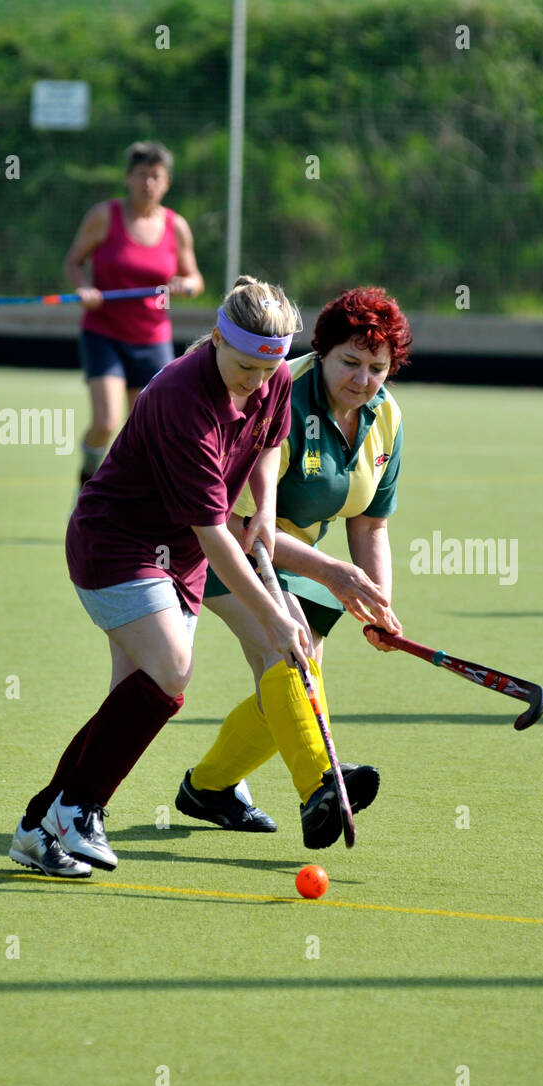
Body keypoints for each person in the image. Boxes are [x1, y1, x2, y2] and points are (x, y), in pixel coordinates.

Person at [9, 276, 309, 878]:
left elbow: (269, 441)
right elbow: (214, 534)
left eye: (265, 370)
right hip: (115, 543)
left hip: (180, 559)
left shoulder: (271, 375)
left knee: (133, 700)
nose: (255, 382)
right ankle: (78, 808)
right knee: (172, 670)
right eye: (244, 366)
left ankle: (39, 828)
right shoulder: (179, 398)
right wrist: (274, 619)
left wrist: (269, 515)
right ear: (218, 341)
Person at [174, 287, 410, 848]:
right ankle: (321, 788)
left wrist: (379, 602)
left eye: (377, 368)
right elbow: (232, 520)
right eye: (349, 363)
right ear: (320, 352)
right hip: (224, 542)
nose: (362, 379)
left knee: (288, 688)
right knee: (291, 664)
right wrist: (332, 572)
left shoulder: (386, 418)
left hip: (302, 557)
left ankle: (208, 788)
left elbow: (371, 523)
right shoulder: (282, 390)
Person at [62, 140, 205, 489]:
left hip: (152, 339)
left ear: (167, 182)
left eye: (156, 176)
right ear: (128, 178)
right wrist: (85, 288)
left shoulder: (176, 227)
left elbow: (195, 278)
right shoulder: (103, 216)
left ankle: (127, 505)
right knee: (107, 420)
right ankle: (87, 489)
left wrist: (185, 285)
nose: (148, 184)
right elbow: (73, 263)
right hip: (104, 332)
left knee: (147, 429)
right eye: (141, 175)